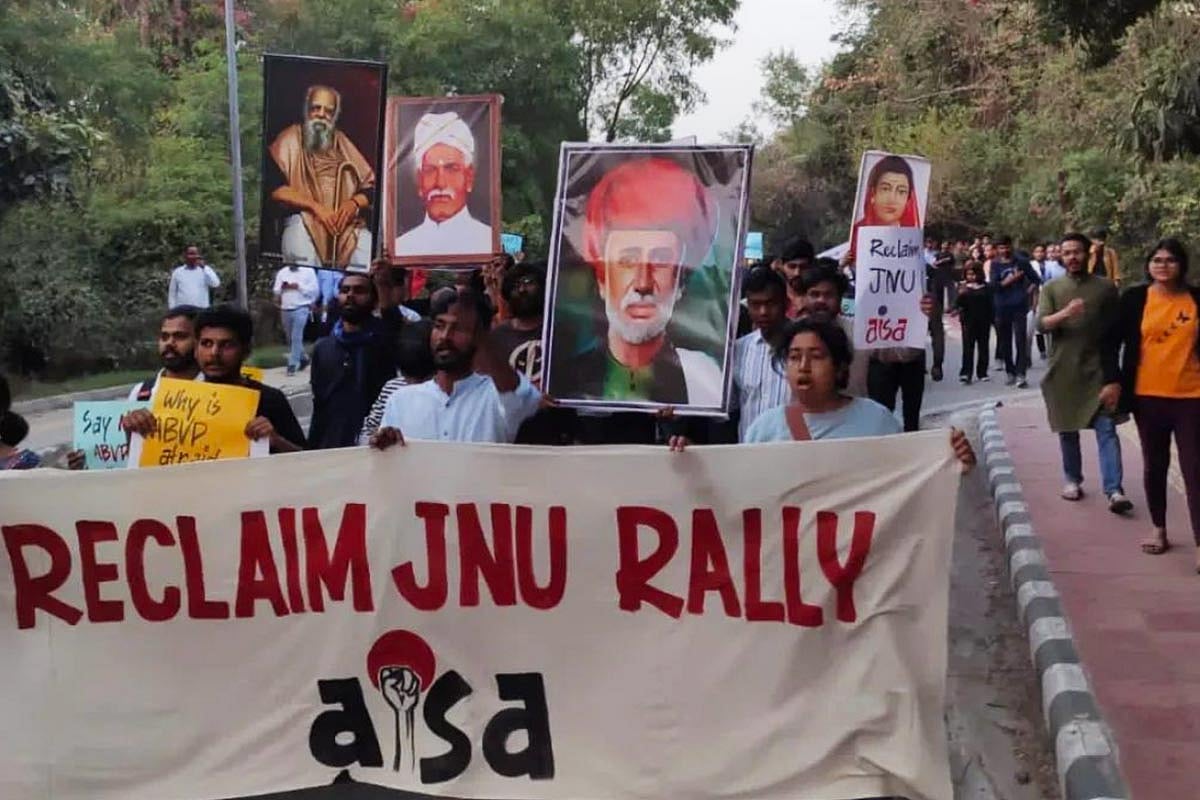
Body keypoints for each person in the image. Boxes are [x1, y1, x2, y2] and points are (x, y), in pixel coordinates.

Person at [668, 317, 975, 468]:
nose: (803, 366)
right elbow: (738, 496)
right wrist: (692, 462)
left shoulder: (877, 422)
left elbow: (911, 483)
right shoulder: (763, 430)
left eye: (817, 357)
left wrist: (952, 460)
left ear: (841, 367)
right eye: (794, 357)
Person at [549, 157, 723, 407]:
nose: (643, 284)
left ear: (680, 285)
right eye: (628, 261)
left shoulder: (703, 379)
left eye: (661, 260)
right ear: (602, 280)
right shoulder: (565, 382)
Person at [124, 305, 305, 455]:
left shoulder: (269, 399)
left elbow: (308, 462)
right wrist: (134, 429)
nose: (214, 354)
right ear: (196, 348)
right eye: (206, 343)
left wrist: (275, 440)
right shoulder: (172, 401)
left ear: (246, 350)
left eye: (226, 345)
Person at [1116, 238, 1200, 561]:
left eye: (1170, 260)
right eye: (1157, 259)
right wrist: (1113, 382)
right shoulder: (1136, 299)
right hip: (1147, 396)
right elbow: (1113, 341)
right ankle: (1159, 528)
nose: (1163, 265)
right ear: (1149, 264)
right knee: (1155, 465)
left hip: (1191, 396)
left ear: (1182, 265)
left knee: (1194, 469)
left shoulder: (1195, 299)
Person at [371, 289, 541, 446]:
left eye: (458, 328)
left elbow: (521, 395)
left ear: (480, 335)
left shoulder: (496, 397)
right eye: (439, 326)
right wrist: (384, 443)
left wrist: (486, 342)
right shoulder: (401, 400)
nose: (445, 337)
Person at [1036, 232, 1129, 512]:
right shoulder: (1051, 288)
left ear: (1087, 254)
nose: (1072, 257)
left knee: (1107, 428)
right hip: (1064, 369)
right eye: (1066, 253)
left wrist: (1115, 374)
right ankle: (1072, 479)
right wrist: (1065, 313)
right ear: (1060, 257)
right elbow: (1041, 325)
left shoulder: (1105, 288)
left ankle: (1114, 490)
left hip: (1098, 368)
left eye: (1077, 252)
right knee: (1068, 429)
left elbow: (1117, 331)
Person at [267, 85, 375, 270]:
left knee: (367, 251)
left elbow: (371, 186)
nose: (321, 114)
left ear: (334, 116)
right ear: (307, 110)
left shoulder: (342, 142)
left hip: (345, 227)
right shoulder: (289, 139)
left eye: (328, 111)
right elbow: (275, 189)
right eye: (316, 108)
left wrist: (353, 204)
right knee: (305, 269)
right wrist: (317, 208)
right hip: (304, 220)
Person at [307, 273, 396, 450]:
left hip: (374, 445)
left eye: (359, 290)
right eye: (344, 290)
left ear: (374, 300)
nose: (350, 295)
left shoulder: (384, 342)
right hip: (331, 445)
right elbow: (319, 405)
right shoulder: (323, 348)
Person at [394, 111, 492, 256]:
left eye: (451, 169)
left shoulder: (487, 242)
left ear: (469, 178)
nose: (440, 183)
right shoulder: (401, 248)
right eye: (430, 170)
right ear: (420, 181)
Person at [732, 267, 791, 440]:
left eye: (770, 303)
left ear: (786, 303)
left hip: (794, 455)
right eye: (755, 305)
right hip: (749, 454)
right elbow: (730, 407)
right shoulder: (738, 350)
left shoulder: (804, 347)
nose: (763, 312)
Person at [793, 263, 868, 397]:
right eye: (815, 294)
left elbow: (903, 353)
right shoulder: (791, 335)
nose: (821, 300)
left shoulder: (860, 331)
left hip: (853, 415)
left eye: (829, 295)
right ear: (803, 298)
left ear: (840, 299)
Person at [358, 319, 435, 444]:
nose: (413, 386)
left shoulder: (444, 393)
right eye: (408, 377)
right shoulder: (392, 388)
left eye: (422, 379)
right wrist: (377, 439)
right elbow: (366, 433)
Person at [848, 155, 922, 262]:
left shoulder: (912, 240)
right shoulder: (857, 235)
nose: (892, 199)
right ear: (873, 193)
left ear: (908, 199)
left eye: (901, 191)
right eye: (885, 189)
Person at [989, 235, 1040, 387]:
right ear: (997, 249)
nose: (1004, 250)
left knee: (1020, 340)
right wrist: (1009, 280)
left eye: (1006, 247)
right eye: (1001, 248)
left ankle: (1021, 374)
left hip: (1019, 306)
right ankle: (1010, 372)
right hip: (1001, 306)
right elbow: (994, 286)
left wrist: (1027, 292)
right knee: (1004, 341)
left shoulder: (1022, 262)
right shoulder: (995, 264)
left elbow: (1036, 279)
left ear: (1011, 246)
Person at [128, 306, 203, 402]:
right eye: (164, 337)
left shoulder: (217, 392)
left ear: (200, 341)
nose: (169, 343)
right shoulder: (140, 393)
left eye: (180, 336)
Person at [273, 264, 318, 375]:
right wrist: (283, 288)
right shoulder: (283, 272)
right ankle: (303, 358)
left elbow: (314, 291)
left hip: (301, 307)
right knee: (290, 338)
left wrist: (298, 286)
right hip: (286, 308)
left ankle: (292, 364)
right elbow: (276, 289)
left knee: (296, 336)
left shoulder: (309, 271)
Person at [955, 262, 993, 384]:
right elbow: (958, 304)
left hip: (984, 320)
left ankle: (982, 372)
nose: (971, 277)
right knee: (967, 348)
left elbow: (991, 304)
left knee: (983, 347)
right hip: (968, 321)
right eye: (968, 274)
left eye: (973, 274)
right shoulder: (963, 287)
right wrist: (961, 294)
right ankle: (966, 373)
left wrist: (993, 319)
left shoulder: (986, 287)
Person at [777, 237, 815, 318]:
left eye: (803, 267)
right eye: (792, 266)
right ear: (781, 265)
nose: (797, 273)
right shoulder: (776, 301)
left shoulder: (820, 299)